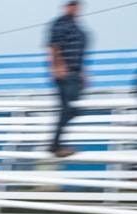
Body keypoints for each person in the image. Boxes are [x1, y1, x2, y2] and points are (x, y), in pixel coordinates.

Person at [47, 0, 89, 157]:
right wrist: (57, 66)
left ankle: (56, 144)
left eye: (76, 5)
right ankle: (55, 145)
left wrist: (83, 72)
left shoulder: (76, 26)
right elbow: (54, 46)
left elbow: (79, 53)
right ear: (66, 7)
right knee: (68, 109)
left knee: (74, 110)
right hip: (65, 74)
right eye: (71, 4)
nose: (75, 7)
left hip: (75, 73)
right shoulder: (60, 23)